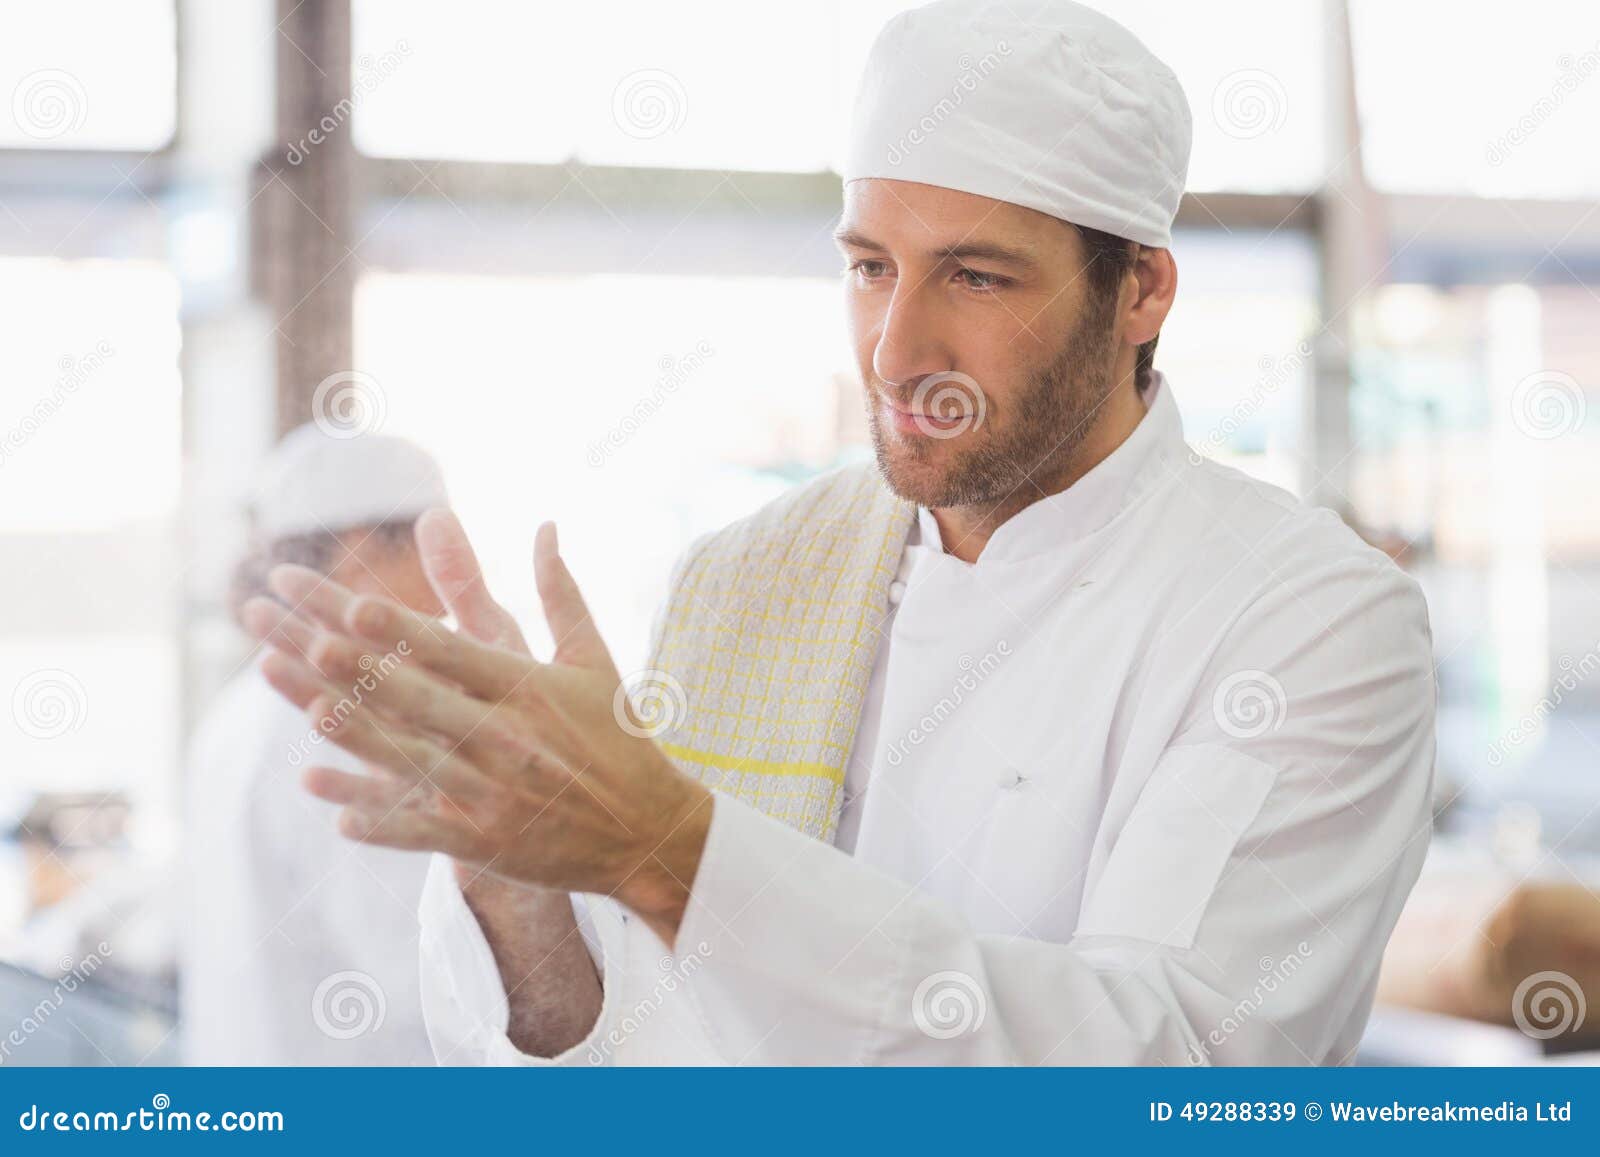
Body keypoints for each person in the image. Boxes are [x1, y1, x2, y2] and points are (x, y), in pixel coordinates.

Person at [246, 0, 1436, 1065]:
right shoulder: (743, 578)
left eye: (973, 278)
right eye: (870, 267)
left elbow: (1167, 1067)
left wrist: (670, 850)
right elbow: (630, 1057)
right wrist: (521, 890)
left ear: (1140, 290)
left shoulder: (1306, 617)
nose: (895, 350)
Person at [181, 425, 449, 1065]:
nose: (452, 579)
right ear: (361, 551)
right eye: (435, 541)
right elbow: (423, 985)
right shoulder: (346, 720)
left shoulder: (243, 709)